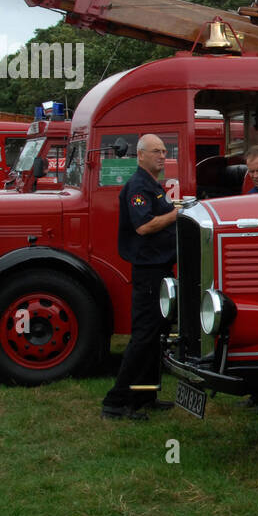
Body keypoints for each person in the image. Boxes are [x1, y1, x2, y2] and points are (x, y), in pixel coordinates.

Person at [102, 134, 179, 420]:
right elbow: (144, 227)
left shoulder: (152, 185)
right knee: (144, 336)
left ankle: (146, 394)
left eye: (164, 151)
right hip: (148, 272)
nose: (162, 156)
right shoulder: (137, 186)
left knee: (156, 335)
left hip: (160, 269)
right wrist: (176, 214)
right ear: (140, 155)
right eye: (156, 151)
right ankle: (117, 402)